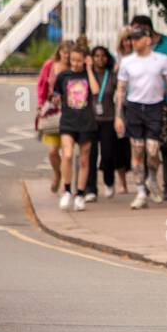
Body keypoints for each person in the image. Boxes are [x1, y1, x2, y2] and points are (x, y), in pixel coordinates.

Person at [114, 24, 167, 210]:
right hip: (133, 108)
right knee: (137, 149)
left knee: (152, 150)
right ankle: (141, 192)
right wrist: (118, 116)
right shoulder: (127, 62)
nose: (132, 42)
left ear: (147, 40)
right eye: (131, 38)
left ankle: (152, 177)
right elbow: (121, 90)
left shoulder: (161, 60)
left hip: (155, 107)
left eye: (136, 38)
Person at [130, 15, 167, 199]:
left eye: (137, 32)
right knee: (142, 148)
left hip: (164, 106)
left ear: (148, 31)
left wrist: (160, 80)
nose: (133, 38)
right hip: (140, 107)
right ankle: (144, 185)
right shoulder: (134, 51)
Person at [52, 43, 100, 210]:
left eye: (79, 61)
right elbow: (56, 92)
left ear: (85, 60)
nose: (75, 63)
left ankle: (80, 194)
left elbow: (95, 91)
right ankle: (66, 191)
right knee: (67, 154)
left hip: (86, 123)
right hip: (68, 121)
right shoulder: (63, 76)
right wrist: (56, 99)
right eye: (72, 60)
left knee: (85, 160)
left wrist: (88, 69)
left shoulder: (90, 75)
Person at [36, 40, 73, 193]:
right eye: (64, 53)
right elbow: (42, 86)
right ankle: (57, 173)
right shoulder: (50, 65)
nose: (67, 56)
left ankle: (66, 183)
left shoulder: (75, 67)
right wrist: (40, 105)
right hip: (53, 111)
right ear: (59, 52)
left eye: (69, 54)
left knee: (67, 152)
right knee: (52, 151)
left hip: (71, 112)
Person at [86, 45, 120, 200]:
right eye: (96, 56)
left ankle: (109, 181)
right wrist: (88, 69)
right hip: (91, 120)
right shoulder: (88, 75)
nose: (100, 59)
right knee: (90, 155)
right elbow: (93, 91)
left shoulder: (111, 75)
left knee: (107, 154)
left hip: (108, 118)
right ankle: (91, 189)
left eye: (103, 56)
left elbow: (117, 93)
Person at [113, 28, 134, 193]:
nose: (127, 43)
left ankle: (140, 180)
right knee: (120, 143)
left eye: (129, 39)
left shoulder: (140, 58)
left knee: (136, 143)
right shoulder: (115, 61)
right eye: (124, 40)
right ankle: (123, 183)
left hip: (136, 104)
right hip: (120, 105)